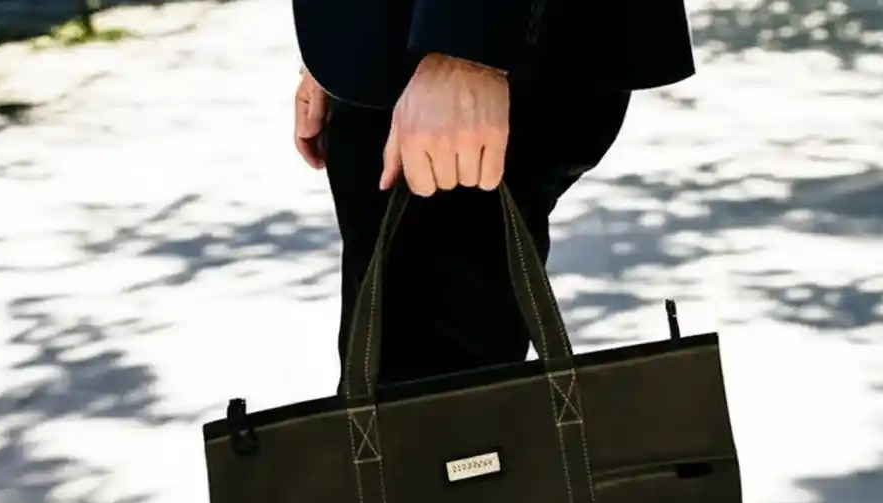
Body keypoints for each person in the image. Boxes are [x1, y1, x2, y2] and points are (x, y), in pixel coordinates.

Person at [289, 0, 696, 392]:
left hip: (459, 49)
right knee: (414, 400)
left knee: (426, 412)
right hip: (410, 46)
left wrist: (466, 46)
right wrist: (339, 45)